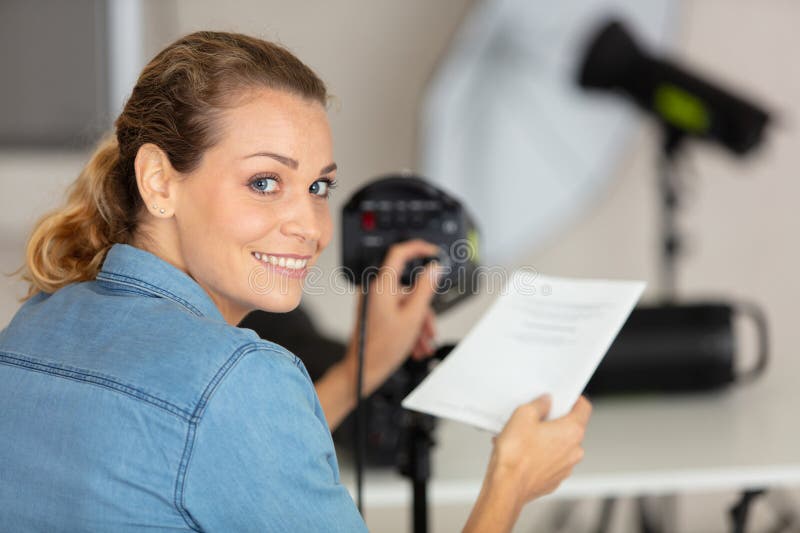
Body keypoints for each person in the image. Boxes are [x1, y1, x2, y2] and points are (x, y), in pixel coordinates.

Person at [0, 31, 591, 532]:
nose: (311, 227)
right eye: (264, 183)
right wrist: (512, 479)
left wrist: (365, 361)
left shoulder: (37, 323)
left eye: (318, 187)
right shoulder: (240, 378)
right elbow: (220, 411)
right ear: (158, 181)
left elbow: (204, 447)